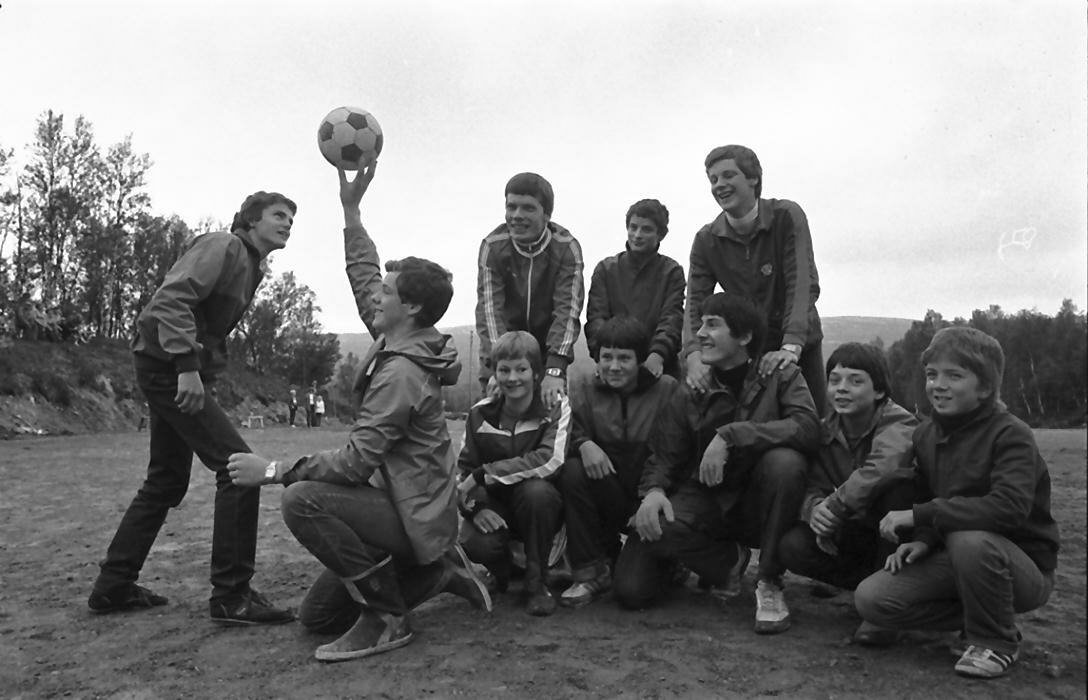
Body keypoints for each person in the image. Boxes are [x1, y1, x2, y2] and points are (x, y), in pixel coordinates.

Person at [228, 161, 491, 662]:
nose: (378, 296)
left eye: (388, 294)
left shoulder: (402, 374)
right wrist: (352, 211)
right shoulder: (399, 336)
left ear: (410, 308)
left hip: (413, 513)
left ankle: (388, 619)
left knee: (301, 499)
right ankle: (437, 572)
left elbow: (354, 463)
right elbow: (366, 273)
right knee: (317, 618)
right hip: (403, 507)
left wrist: (271, 470)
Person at [87, 190, 297, 626]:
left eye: (292, 219)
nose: (287, 224)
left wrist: (199, 367)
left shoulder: (250, 263)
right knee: (239, 468)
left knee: (165, 482)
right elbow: (171, 299)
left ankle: (113, 586)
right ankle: (231, 596)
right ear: (250, 220)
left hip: (168, 363)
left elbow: (205, 323)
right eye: (279, 215)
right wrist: (186, 366)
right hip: (168, 365)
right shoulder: (224, 245)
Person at [854, 327, 1060, 679]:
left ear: (984, 387)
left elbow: (1008, 509)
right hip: (957, 555)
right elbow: (942, 494)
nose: (938, 385)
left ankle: (997, 642)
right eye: (932, 375)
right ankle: (980, 618)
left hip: (1020, 567)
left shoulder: (1011, 434)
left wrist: (921, 516)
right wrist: (925, 539)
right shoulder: (926, 434)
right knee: (872, 601)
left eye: (954, 375)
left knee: (970, 537)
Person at [615, 293, 820, 635]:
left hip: (760, 500)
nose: (701, 335)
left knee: (784, 462)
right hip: (705, 496)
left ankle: (768, 581)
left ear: (744, 337)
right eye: (701, 325)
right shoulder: (692, 388)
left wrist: (732, 434)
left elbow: (809, 428)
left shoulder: (779, 376)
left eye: (713, 325)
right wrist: (652, 491)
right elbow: (666, 453)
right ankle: (724, 562)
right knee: (631, 589)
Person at [778, 343, 917, 640]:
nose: (842, 389)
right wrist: (814, 509)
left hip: (901, 535)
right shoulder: (825, 430)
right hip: (856, 529)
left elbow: (882, 468)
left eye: (856, 381)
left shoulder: (900, 422)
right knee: (793, 546)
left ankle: (885, 611)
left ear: (879, 391)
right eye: (835, 380)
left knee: (900, 487)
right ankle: (870, 590)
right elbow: (811, 482)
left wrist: (835, 505)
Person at [684, 145, 826, 414]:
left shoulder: (786, 216)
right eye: (713, 179)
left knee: (813, 423)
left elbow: (802, 283)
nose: (719, 185)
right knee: (749, 428)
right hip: (746, 348)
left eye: (728, 176)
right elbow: (695, 302)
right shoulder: (707, 239)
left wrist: (791, 346)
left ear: (753, 179)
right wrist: (693, 354)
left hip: (798, 341)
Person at [558, 316, 679, 608]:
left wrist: (652, 493)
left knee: (631, 593)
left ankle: (671, 563)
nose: (613, 366)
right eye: (606, 357)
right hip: (611, 493)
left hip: (651, 497)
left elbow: (672, 451)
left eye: (624, 358)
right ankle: (592, 570)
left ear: (640, 359)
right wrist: (584, 443)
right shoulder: (585, 386)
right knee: (573, 471)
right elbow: (567, 428)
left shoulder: (666, 390)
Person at [457, 330, 572, 617]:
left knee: (537, 492)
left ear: (536, 373)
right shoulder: (479, 414)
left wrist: (487, 473)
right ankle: (504, 573)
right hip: (497, 507)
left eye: (521, 369)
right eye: (504, 370)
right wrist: (476, 509)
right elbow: (462, 474)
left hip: (540, 512)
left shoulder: (554, 408)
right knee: (473, 539)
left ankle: (537, 583)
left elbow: (550, 460)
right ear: (494, 373)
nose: (512, 378)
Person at [475, 172, 585, 410]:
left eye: (527, 208)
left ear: (546, 214)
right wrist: (498, 366)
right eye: (511, 207)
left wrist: (555, 368)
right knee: (495, 425)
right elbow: (490, 312)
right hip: (501, 354)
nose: (517, 216)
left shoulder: (566, 248)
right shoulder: (492, 246)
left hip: (547, 355)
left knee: (549, 422)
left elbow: (567, 312)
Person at [585, 199, 686, 379]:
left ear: (661, 234)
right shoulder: (606, 269)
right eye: (633, 227)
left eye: (646, 229)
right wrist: (602, 356)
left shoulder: (671, 272)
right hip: (613, 367)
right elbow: (596, 318)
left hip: (657, 368)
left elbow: (672, 319)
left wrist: (657, 355)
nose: (637, 235)